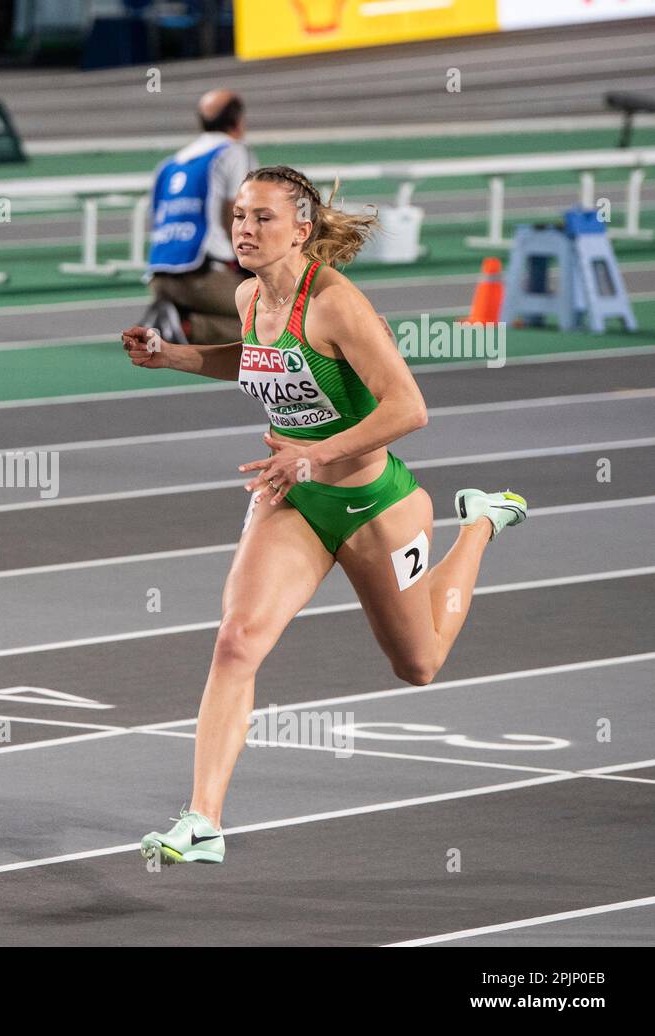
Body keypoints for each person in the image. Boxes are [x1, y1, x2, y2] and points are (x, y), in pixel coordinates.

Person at [123, 165, 527, 864]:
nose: (244, 230)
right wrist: (175, 357)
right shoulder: (251, 296)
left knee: (419, 664)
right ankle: (203, 820)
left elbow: (409, 407)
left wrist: (314, 455)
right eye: (239, 216)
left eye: (262, 219)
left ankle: (482, 522)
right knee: (237, 640)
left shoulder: (337, 304)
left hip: (376, 505)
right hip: (295, 500)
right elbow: (254, 360)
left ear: (301, 228)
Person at [143, 89, 258, 344]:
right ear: (238, 121)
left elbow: (156, 219)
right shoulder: (234, 152)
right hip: (203, 276)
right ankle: (187, 327)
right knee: (276, 318)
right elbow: (235, 214)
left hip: (159, 277)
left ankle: (174, 314)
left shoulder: (169, 165)